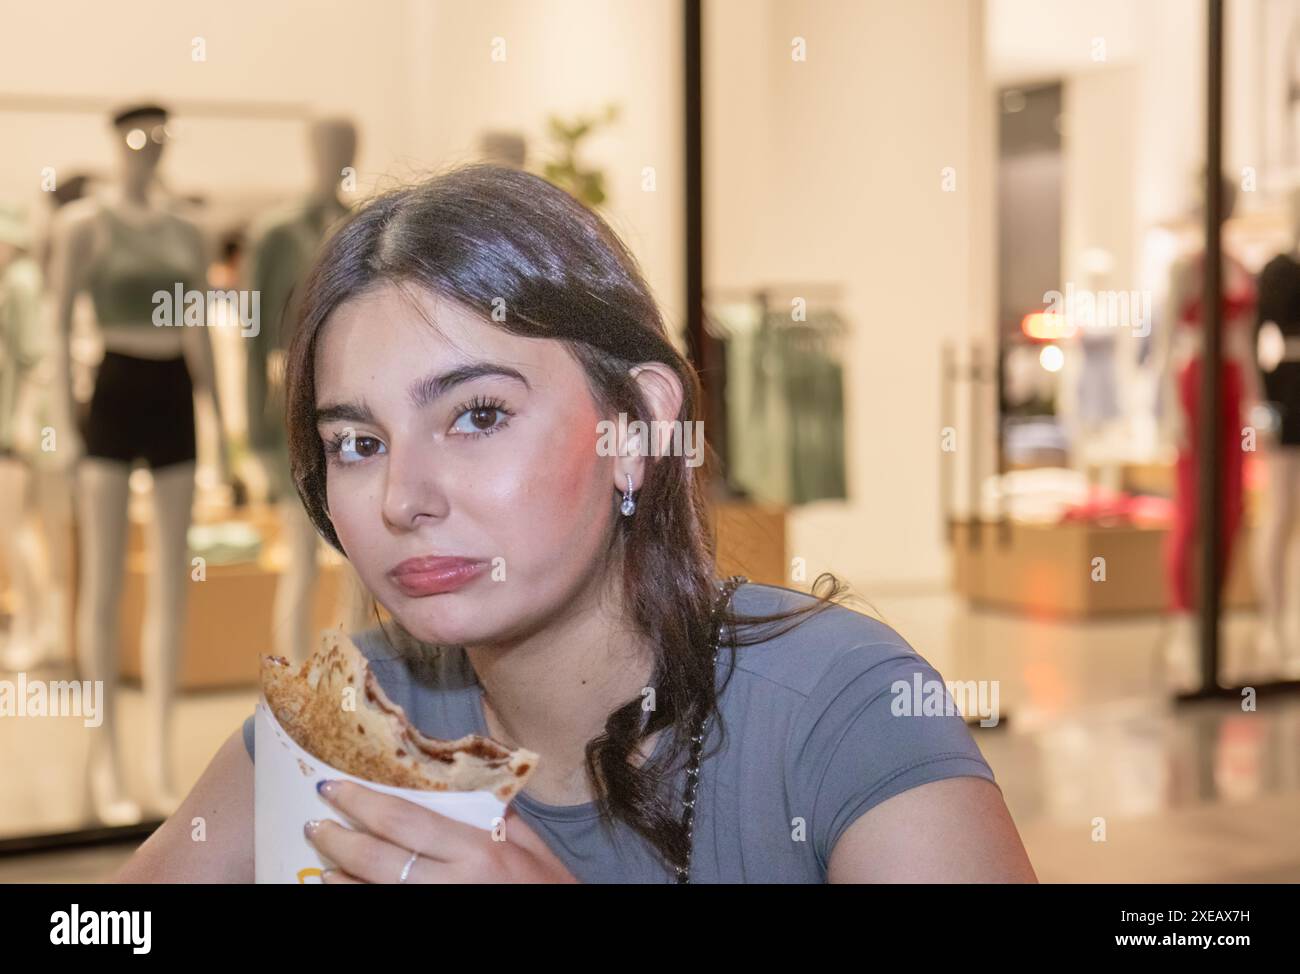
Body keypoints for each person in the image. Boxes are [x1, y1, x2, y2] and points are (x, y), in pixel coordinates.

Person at [114, 163, 1035, 883]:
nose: (404, 497)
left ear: (637, 427)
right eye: (357, 442)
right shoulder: (356, 722)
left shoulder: (840, 709)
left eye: (477, 416)